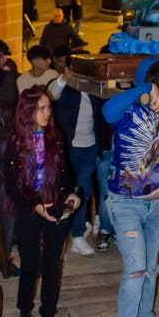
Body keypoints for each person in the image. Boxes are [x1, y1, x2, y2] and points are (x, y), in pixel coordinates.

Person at [103, 58, 159, 317]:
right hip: (125, 202)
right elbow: (108, 111)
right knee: (135, 269)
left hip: (157, 202)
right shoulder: (128, 105)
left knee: (150, 268)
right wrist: (144, 90)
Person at [4, 86, 81, 317]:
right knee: (30, 265)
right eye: (41, 108)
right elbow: (11, 185)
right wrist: (35, 205)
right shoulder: (15, 143)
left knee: (51, 266)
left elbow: (65, 172)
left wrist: (71, 193)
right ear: (28, 112)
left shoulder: (55, 136)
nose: (47, 112)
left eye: (49, 107)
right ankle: (25, 315)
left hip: (56, 207)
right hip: (29, 209)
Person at [48, 56, 106, 256]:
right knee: (66, 191)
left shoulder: (93, 90)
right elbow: (50, 95)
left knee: (83, 190)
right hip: (68, 148)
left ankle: (78, 234)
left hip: (89, 147)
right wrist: (63, 79)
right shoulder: (64, 88)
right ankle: (66, 232)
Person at [0, 38, 19, 277]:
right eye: (1, 56)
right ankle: (1, 257)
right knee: (5, 208)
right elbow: (8, 113)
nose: (4, 60)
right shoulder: (3, 79)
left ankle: (2, 256)